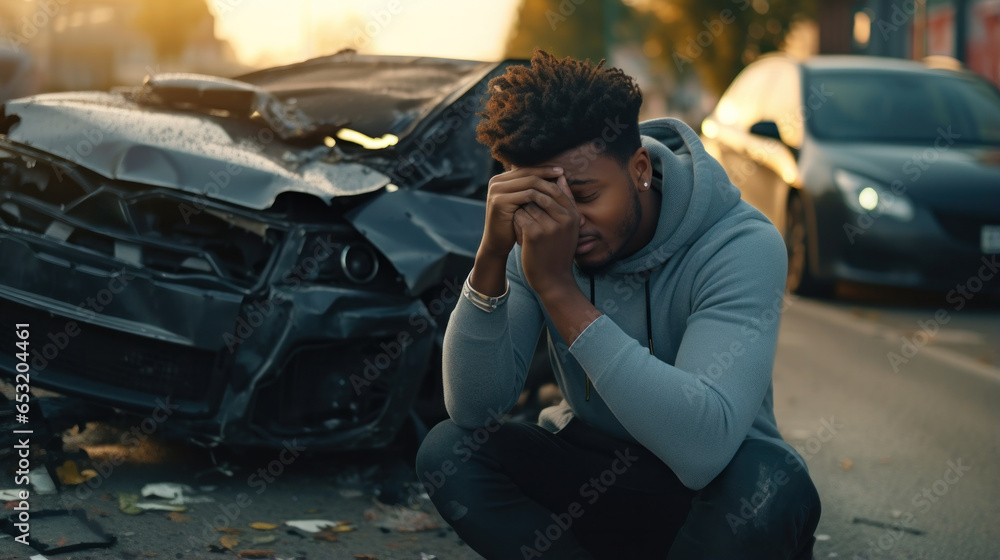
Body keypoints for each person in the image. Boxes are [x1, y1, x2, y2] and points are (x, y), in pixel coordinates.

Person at [415, 50, 821, 559]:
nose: (567, 222)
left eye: (584, 196)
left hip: (712, 496)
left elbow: (702, 450)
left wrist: (559, 292)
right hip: (598, 476)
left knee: (772, 483)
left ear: (640, 169)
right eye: (541, 201)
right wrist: (492, 256)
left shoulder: (740, 245)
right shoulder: (537, 238)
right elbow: (474, 408)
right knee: (450, 450)